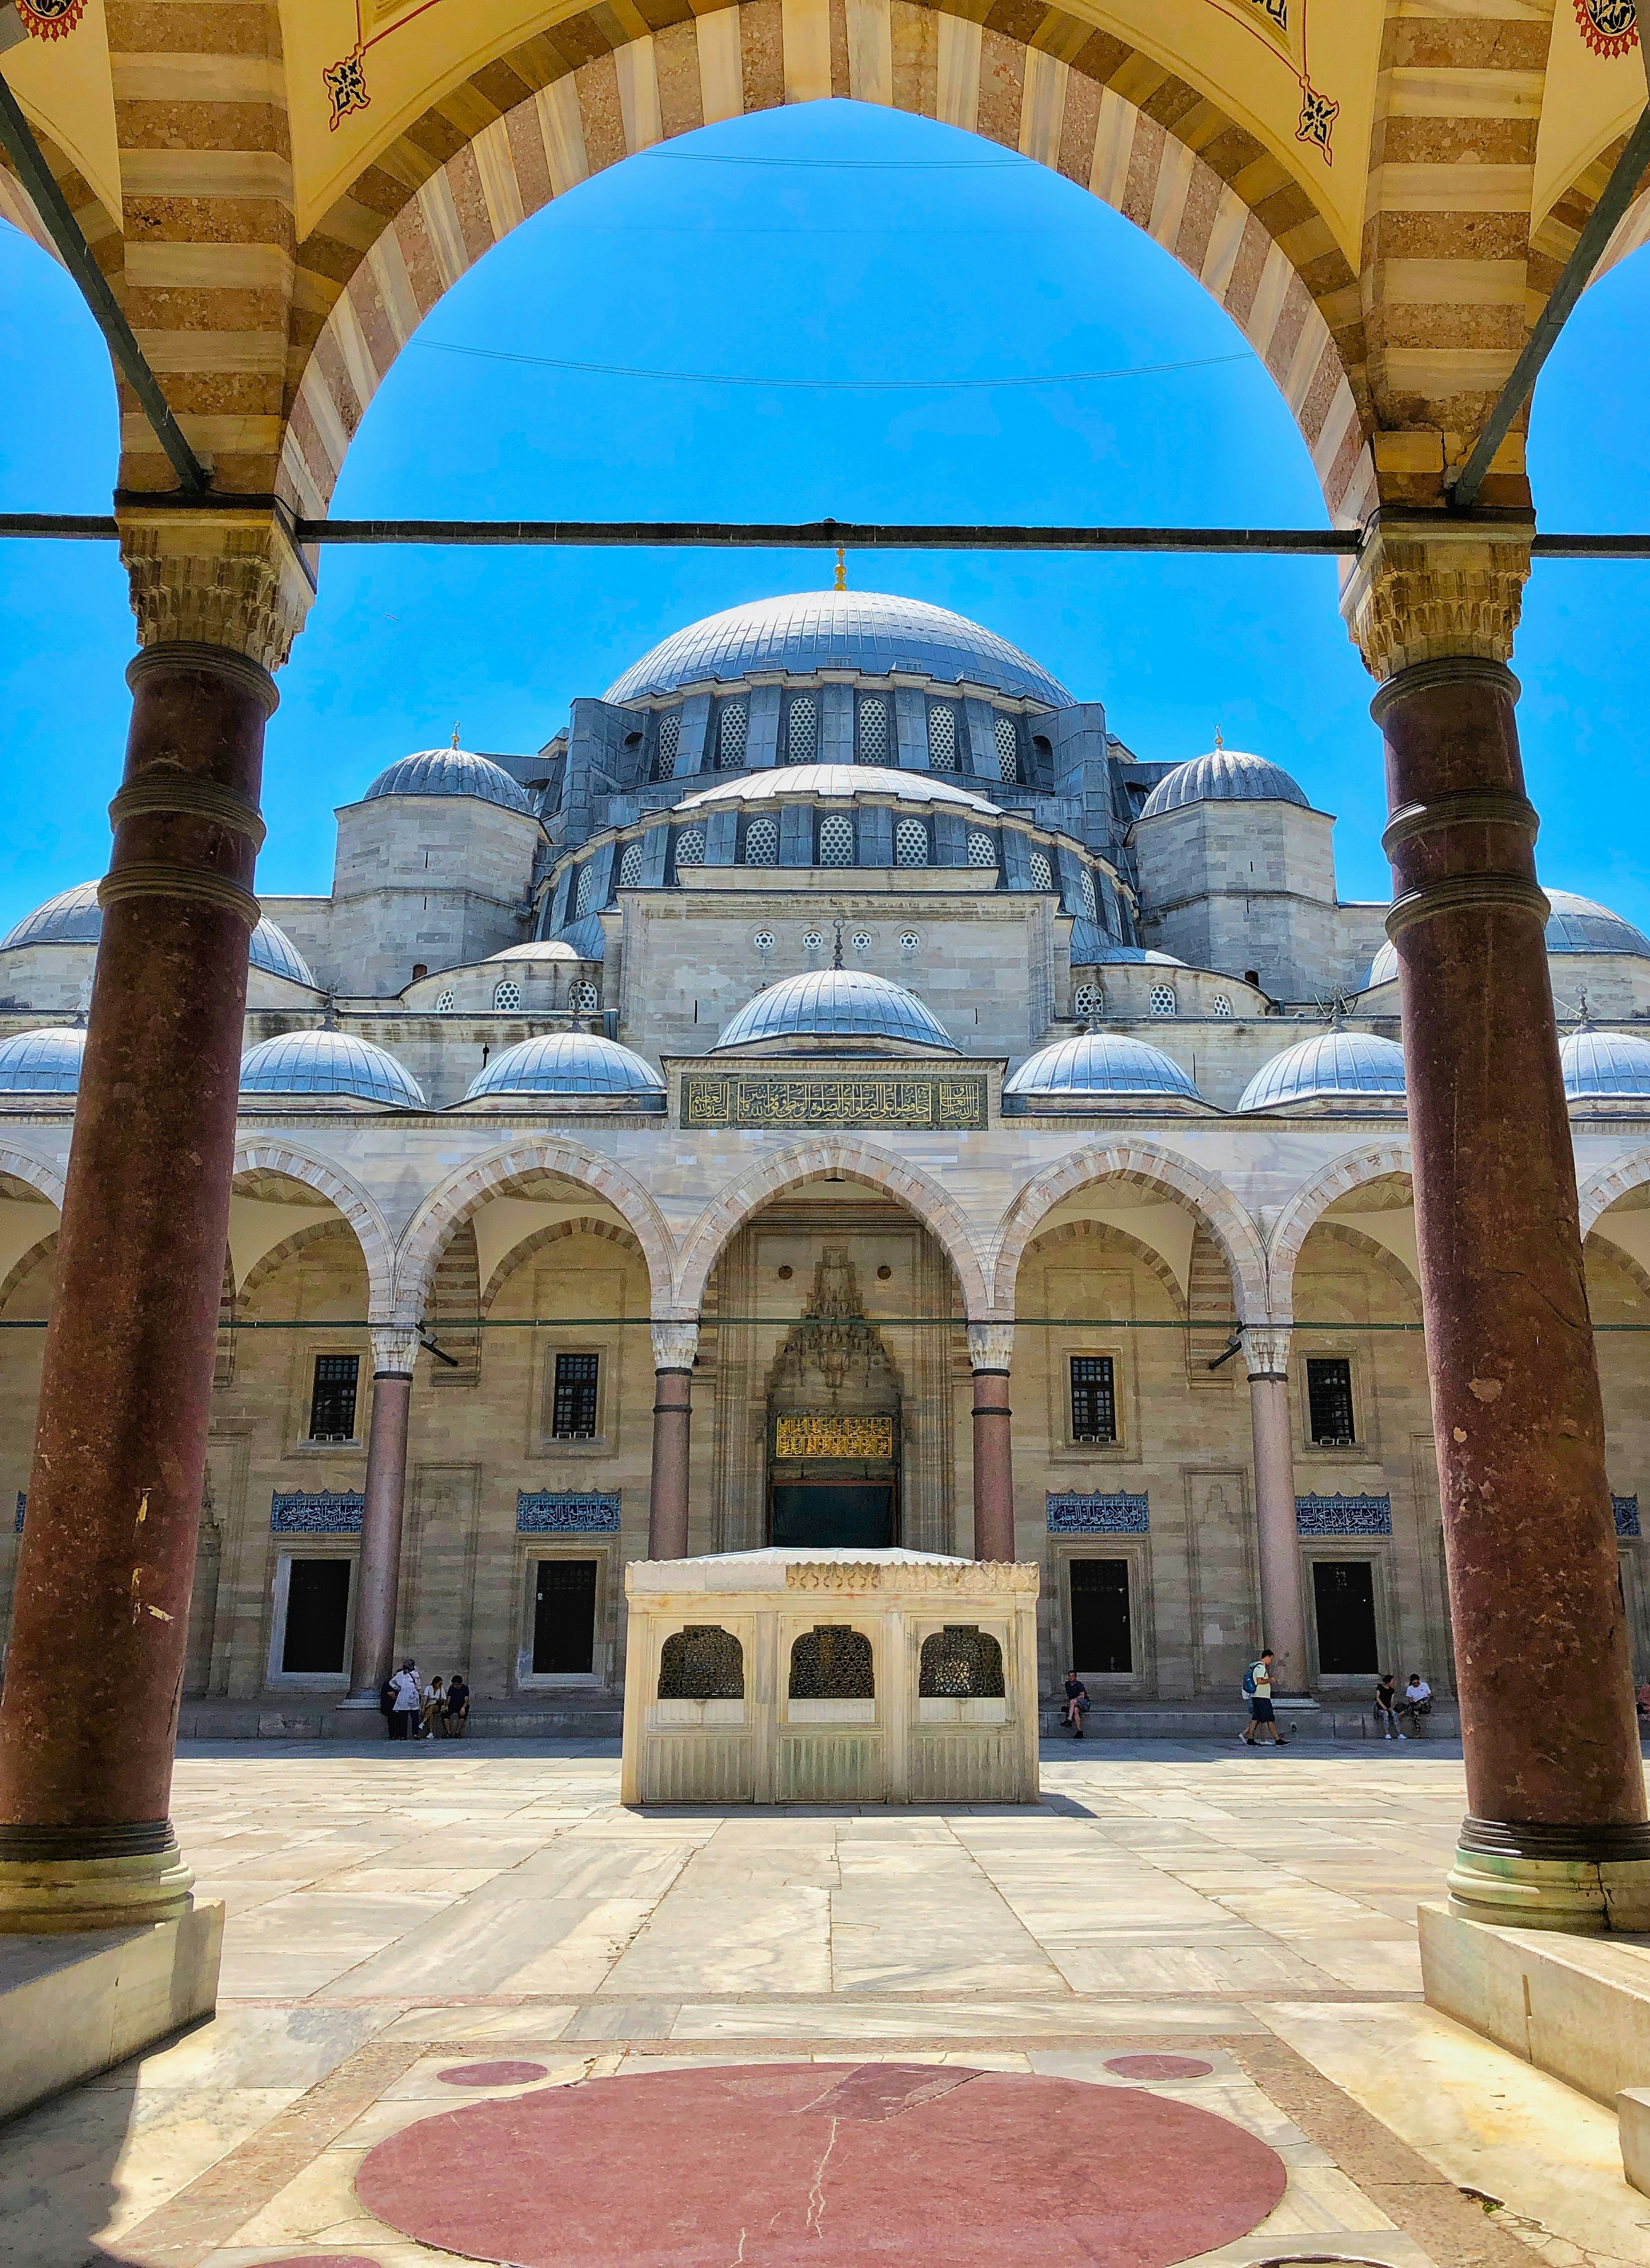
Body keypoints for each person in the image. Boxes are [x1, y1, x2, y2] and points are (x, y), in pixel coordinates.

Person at [1240, 1648, 1287, 1746]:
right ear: (1266, 1657)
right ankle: (1278, 1740)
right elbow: (1260, 1681)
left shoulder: (1256, 1667)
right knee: (1270, 1718)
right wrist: (1271, 1680)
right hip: (1262, 1697)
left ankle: (1251, 1739)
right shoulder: (1261, 1667)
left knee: (1256, 1718)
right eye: (1271, 1659)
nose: (1271, 1661)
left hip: (1257, 1696)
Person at [386, 1658, 421, 1740]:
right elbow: (419, 1686)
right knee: (413, 1717)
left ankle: (403, 1735)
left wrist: (399, 1688)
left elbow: (392, 1683)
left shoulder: (400, 1674)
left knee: (404, 1718)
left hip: (403, 1697)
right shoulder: (415, 1674)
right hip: (412, 1697)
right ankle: (414, 1733)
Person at [1398, 1672, 1432, 1738]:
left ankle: (1404, 1712)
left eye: (1418, 1683)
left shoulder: (1424, 1685)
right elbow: (1411, 1701)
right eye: (1414, 1683)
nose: (1416, 1685)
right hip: (1416, 1706)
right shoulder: (1410, 1689)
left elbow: (1429, 1696)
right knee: (1416, 1713)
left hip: (1425, 1706)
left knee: (1423, 1701)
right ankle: (1418, 1733)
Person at [1062, 1670, 1090, 1739]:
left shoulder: (1079, 1685)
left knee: (1073, 1702)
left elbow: (1082, 1696)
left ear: (1075, 1677)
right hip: (1075, 1704)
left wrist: (1074, 1701)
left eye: (1073, 1676)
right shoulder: (1067, 1684)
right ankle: (1079, 1731)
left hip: (1084, 1703)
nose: (1071, 1678)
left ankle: (1069, 1720)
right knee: (1076, 1710)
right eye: (1070, 1676)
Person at [444, 1672, 470, 1738]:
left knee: (463, 1715)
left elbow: (466, 1700)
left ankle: (457, 1733)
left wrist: (463, 1708)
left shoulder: (465, 1688)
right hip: (452, 1704)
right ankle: (449, 1732)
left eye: (457, 1685)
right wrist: (446, 1706)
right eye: (454, 1685)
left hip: (461, 1705)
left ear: (461, 1684)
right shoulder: (451, 1688)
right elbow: (449, 1698)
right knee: (445, 1715)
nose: (455, 1686)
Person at [420, 1673, 444, 1739]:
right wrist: (423, 1707)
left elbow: (443, 1699)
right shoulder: (428, 1688)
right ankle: (431, 1733)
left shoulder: (441, 1690)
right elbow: (425, 1698)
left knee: (432, 1708)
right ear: (435, 1684)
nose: (440, 1685)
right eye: (440, 1684)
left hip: (437, 1706)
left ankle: (423, 1722)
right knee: (430, 1714)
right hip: (429, 1705)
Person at [1373, 1672, 1397, 1740]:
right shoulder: (1380, 1688)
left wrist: (1391, 1707)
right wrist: (1383, 1707)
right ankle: (1387, 1733)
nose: (1393, 1683)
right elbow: (1378, 1698)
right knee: (1385, 1714)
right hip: (1380, 1708)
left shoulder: (1392, 1691)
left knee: (1395, 1715)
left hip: (1388, 1707)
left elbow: (1392, 1701)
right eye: (1392, 1681)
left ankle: (1399, 1733)